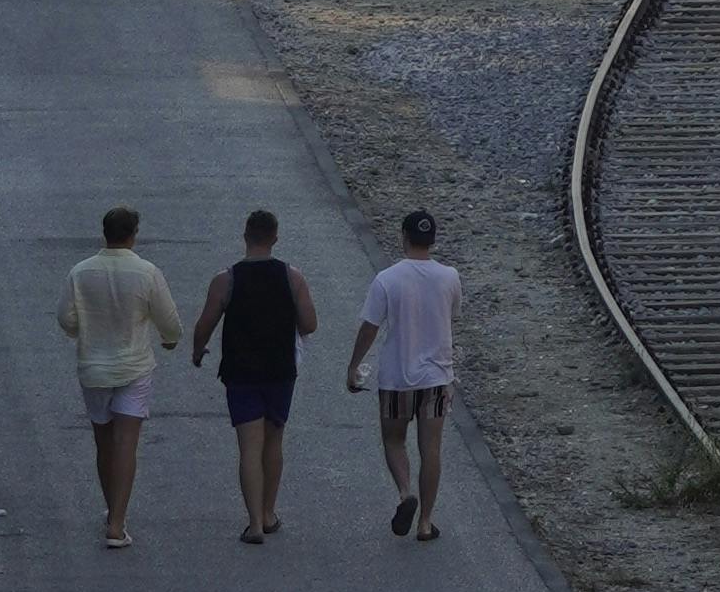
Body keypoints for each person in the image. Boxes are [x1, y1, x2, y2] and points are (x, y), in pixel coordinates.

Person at [62, 206, 188, 549]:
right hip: (133, 366)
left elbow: (67, 320)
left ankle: (111, 509)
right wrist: (170, 339)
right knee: (127, 442)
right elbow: (168, 319)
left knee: (103, 441)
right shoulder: (146, 272)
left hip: (94, 366)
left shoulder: (81, 272)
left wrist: (84, 329)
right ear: (134, 234)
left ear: (104, 233)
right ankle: (117, 522)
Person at [191, 210, 319, 542]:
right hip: (280, 370)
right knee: (274, 441)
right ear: (275, 238)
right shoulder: (293, 277)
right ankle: (269, 511)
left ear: (245, 235)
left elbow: (205, 323)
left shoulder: (227, 279)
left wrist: (197, 350)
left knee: (249, 446)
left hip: (241, 372)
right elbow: (309, 325)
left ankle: (254, 523)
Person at [349, 210, 460, 541]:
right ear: (433, 240)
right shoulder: (450, 277)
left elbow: (370, 326)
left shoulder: (388, 278)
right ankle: (425, 522)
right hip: (437, 378)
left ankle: (404, 493)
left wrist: (354, 365)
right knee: (432, 449)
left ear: (404, 237)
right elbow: (453, 316)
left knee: (394, 440)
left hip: (397, 378)